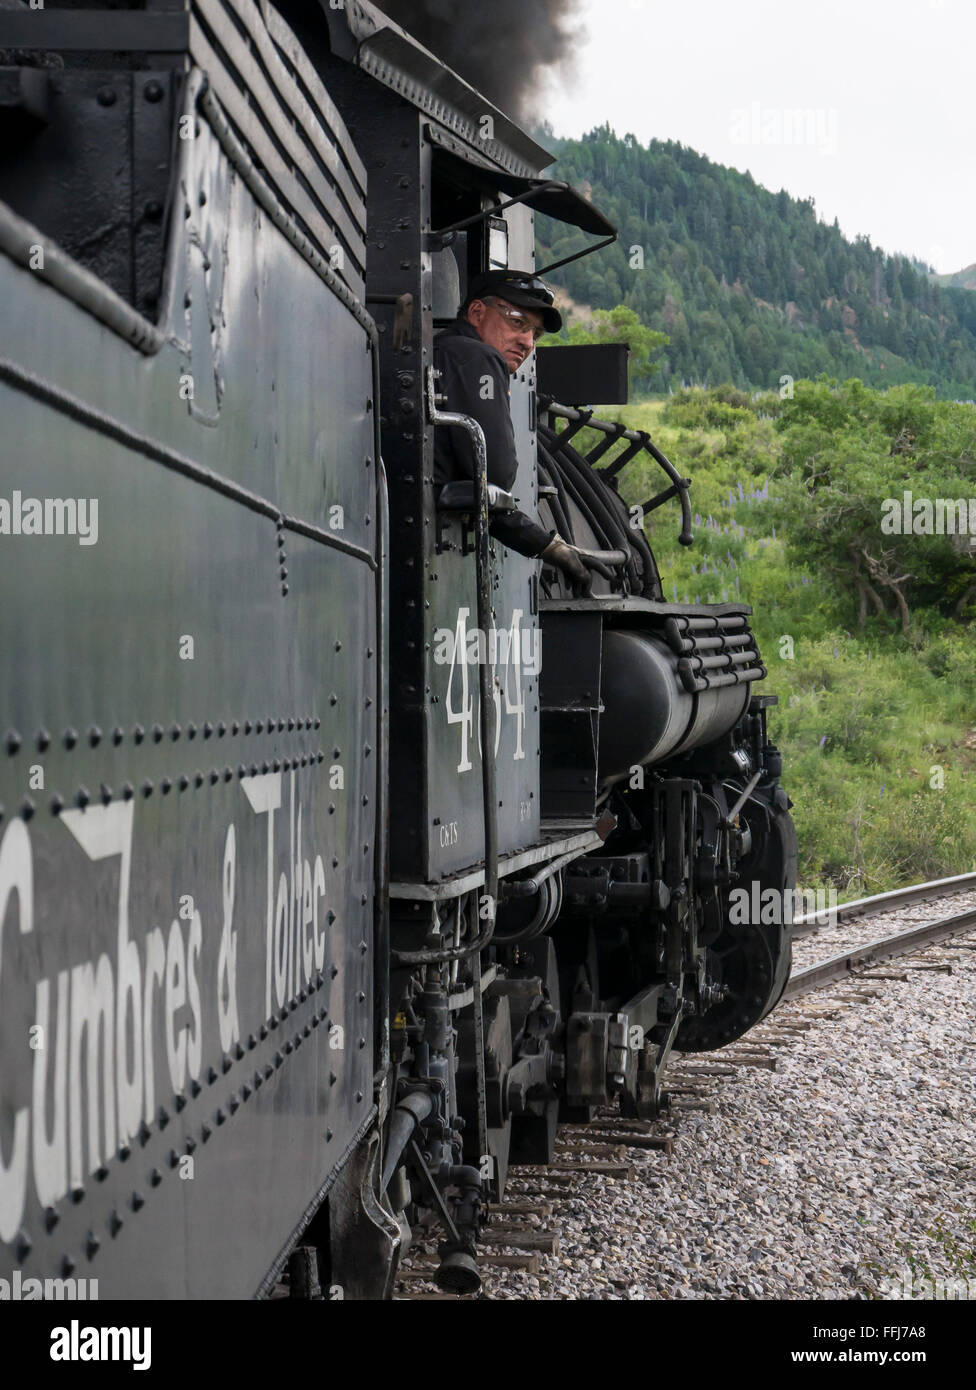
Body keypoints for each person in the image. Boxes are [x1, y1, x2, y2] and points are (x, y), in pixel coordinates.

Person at [433, 269, 610, 594]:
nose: (527, 342)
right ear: (476, 312)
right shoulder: (477, 357)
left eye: (536, 334)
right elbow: (495, 477)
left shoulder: (443, 351)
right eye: (517, 322)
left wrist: (545, 544)